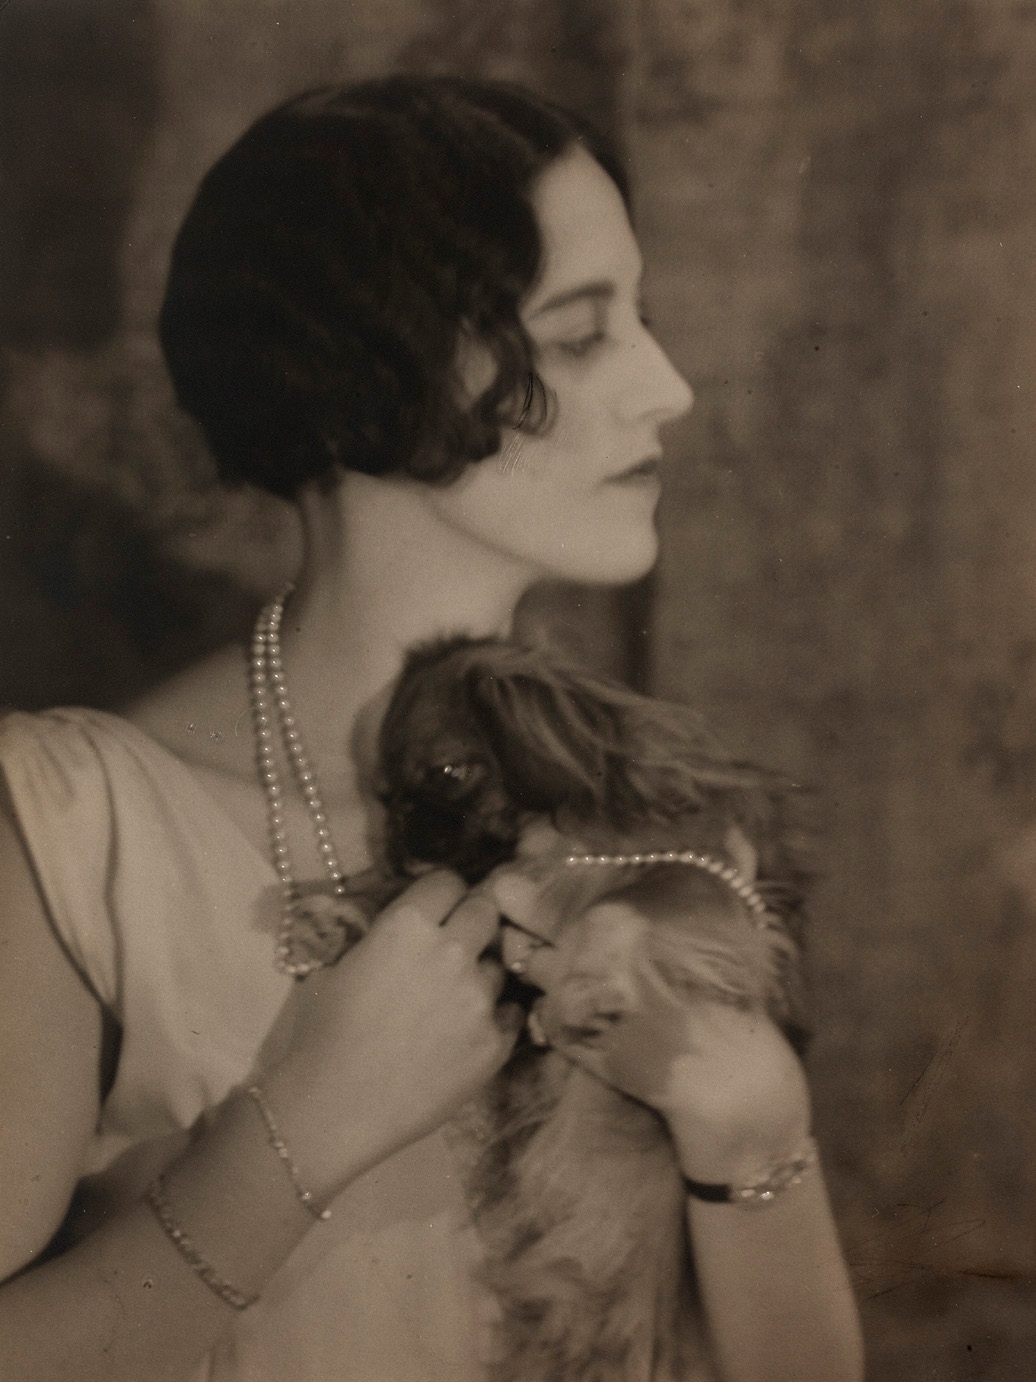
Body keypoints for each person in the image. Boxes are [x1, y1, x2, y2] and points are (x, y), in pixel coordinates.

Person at [0, 76, 864, 1381]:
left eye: (645, 318)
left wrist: (755, 1133)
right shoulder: (76, 827)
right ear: (379, 363)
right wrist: (298, 1129)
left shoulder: (659, 816)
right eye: (582, 334)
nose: (672, 386)